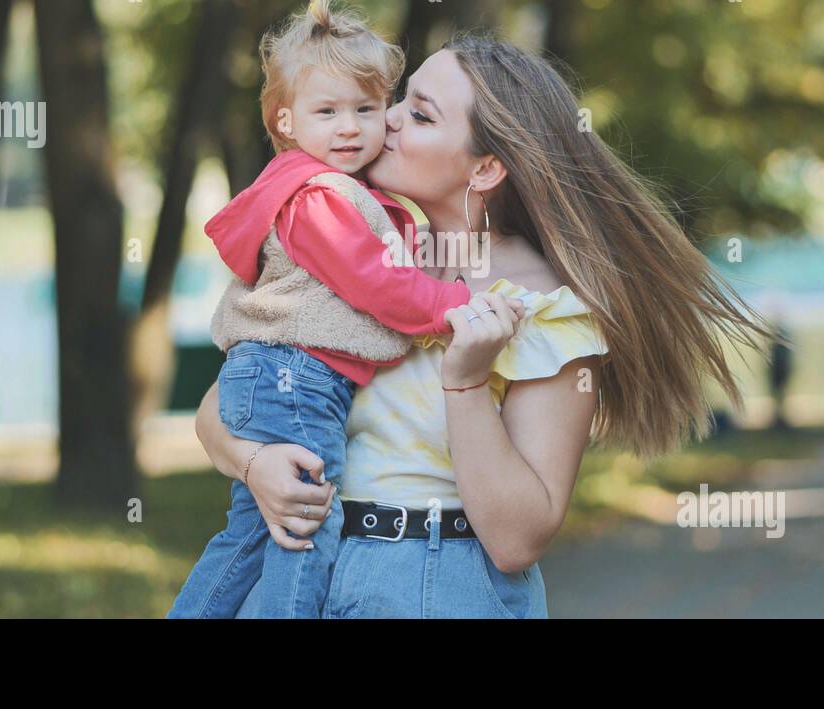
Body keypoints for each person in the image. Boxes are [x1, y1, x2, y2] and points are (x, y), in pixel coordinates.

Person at [183, 34, 779, 618]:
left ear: (487, 167)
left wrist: (466, 384)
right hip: (309, 568)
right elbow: (222, 407)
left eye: (418, 114)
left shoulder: (540, 307)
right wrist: (254, 465)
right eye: (400, 100)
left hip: (433, 581)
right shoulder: (362, 262)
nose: (384, 119)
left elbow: (518, 539)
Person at [166, 0, 476, 619]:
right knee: (309, 524)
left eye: (366, 109)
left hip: (272, 378)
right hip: (296, 383)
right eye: (327, 111)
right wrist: (458, 304)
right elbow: (380, 286)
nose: (348, 128)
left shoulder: (331, 191)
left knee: (251, 534)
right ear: (286, 122)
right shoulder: (321, 198)